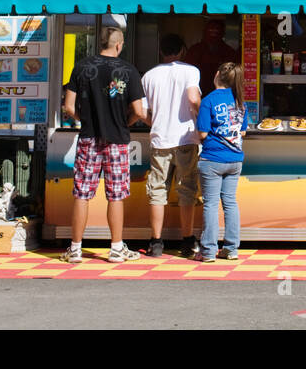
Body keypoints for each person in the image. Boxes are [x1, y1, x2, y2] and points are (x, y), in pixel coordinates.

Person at [60, 26, 145, 262]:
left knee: (82, 193)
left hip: (88, 137)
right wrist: (125, 122)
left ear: (101, 44)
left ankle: (75, 248)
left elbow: (68, 106)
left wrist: (83, 118)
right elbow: (139, 110)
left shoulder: (82, 67)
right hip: (117, 139)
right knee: (115, 194)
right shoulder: (128, 70)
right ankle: (116, 248)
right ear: (119, 45)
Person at [141, 32, 203, 257]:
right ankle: (187, 240)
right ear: (182, 51)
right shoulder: (191, 71)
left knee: (157, 191)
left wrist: (155, 121)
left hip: (160, 140)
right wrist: (200, 118)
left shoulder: (148, 75)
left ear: (161, 52)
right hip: (186, 139)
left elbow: (140, 111)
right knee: (187, 190)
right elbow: (194, 98)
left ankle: (156, 242)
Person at [195, 61, 245, 262]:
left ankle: (208, 251)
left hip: (212, 159)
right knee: (230, 203)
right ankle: (231, 249)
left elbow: (202, 132)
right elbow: (242, 131)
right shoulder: (240, 101)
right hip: (235, 159)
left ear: (217, 75)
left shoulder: (208, 100)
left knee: (210, 204)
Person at [185, 18, 240, 94]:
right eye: (211, 30)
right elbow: (187, 73)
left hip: (222, 94)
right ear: (204, 32)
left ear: (223, 33)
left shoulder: (229, 52)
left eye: (217, 31)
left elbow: (235, 75)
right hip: (198, 92)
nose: (213, 34)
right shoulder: (195, 50)